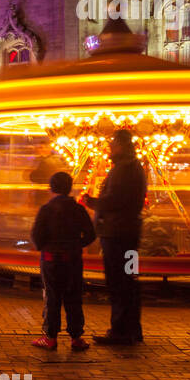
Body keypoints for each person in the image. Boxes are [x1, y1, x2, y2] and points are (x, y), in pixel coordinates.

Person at [80, 129, 148, 345]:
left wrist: (90, 201)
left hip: (117, 235)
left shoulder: (123, 170)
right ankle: (133, 329)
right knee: (129, 279)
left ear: (121, 145)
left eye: (113, 143)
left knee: (119, 281)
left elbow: (114, 201)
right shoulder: (133, 168)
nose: (110, 147)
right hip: (130, 235)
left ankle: (120, 331)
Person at [30, 171, 95, 352]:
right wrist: (77, 245)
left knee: (52, 297)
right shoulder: (78, 209)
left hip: (51, 259)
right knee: (73, 297)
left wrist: (44, 247)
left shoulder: (46, 209)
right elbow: (91, 234)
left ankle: (50, 337)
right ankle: (76, 337)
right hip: (73, 259)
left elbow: (36, 235)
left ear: (51, 188)